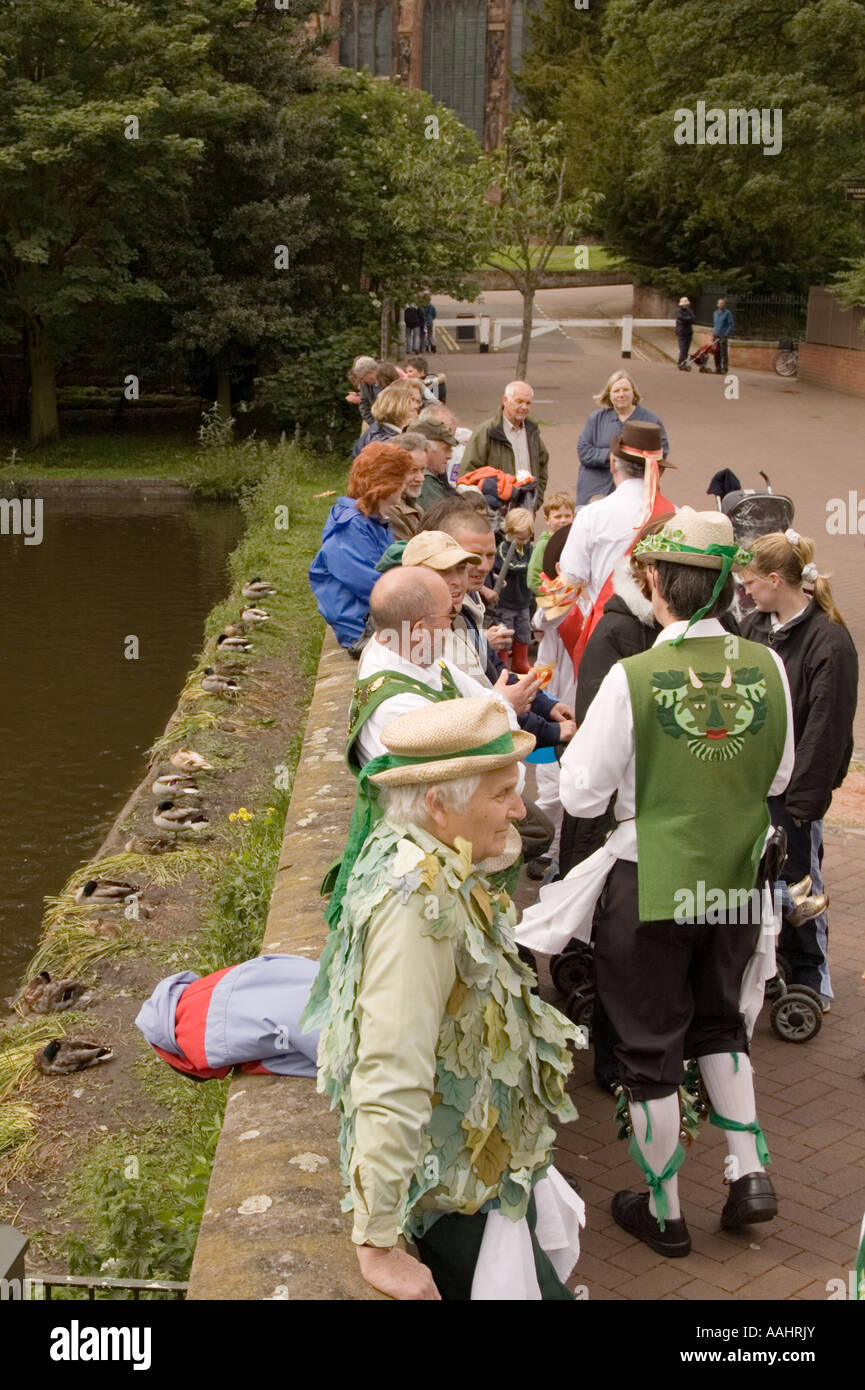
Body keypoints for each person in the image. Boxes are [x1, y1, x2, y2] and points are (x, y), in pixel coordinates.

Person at [519, 508, 795, 1256]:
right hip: (734, 876)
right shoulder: (766, 665)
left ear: (654, 582)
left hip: (648, 878)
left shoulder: (635, 677)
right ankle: (749, 1171)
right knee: (718, 1024)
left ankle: (665, 1209)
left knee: (646, 1049)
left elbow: (578, 797)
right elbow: (780, 774)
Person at [301, 697, 585, 1301]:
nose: (519, 808)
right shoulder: (415, 902)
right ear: (437, 804)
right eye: (502, 792)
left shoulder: (419, 851)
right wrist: (377, 1241)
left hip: (482, 1170)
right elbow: (391, 1067)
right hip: (458, 1201)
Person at [349, 566, 556, 867]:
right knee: (534, 831)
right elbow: (473, 784)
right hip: (426, 853)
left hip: (450, 820)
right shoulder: (396, 705)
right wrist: (504, 709)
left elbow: (486, 702)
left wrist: (498, 709)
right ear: (419, 629)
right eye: (448, 617)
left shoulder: (417, 654)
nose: (452, 625)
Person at [740, 529, 858, 1009]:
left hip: (793, 790)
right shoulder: (752, 627)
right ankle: (770, 963)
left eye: (750, 581)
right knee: (761, 882)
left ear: (774, 579)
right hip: (755, 783)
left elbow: (826, 729)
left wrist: (804, 804)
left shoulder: (829, 641)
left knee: (799, 884)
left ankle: (811, 974)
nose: (744, 590)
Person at [558, 420, 676, 676]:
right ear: (659, 470)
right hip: (662, 635)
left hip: (606, 631)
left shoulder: (591, 515)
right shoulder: (676, 515)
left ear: (613, 463)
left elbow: (570, 578)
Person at [309, 442, 414, 648]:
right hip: (360, 630)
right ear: (387, 483)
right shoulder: (351, 525)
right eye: (402, 480)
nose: (405, 485)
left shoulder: (372, 518)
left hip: (374, 622)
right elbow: (372, 585)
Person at [576, 371, 669, 506]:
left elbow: (661, 454)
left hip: (634, 491)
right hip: (594, 490)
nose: (621, 394)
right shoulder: (596, 419)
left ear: (633, 393)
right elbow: (584, 451)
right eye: (616, 391)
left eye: (626, 390)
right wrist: (613, 455)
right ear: (609, 394)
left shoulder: (651, 420)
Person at [459, 382, 549, 507]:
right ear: (505, 400)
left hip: (526, 508)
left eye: (528, 403)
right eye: (519, 401)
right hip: (496, 509)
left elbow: (543, 463)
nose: (524, 407)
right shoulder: (487, 431)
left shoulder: (531, 432)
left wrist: (537, 499)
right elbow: (467, 474)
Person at [491, 508, 536, 674]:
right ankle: (502, 665)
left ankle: (520, 661)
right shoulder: (503, 548)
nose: (522, 541)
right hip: (506, 602)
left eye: (525, 537)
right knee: (505, 634)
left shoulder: (530, 549)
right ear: (509, 532)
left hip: (523, 601)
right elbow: (510, 567)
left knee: (523, 632)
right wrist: (530, 567)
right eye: (519, 537)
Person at [380, 433, 429, 541]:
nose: (421, 478)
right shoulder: (386, 511)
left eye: (423, 470)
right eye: (413, 471)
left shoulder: (414, 507)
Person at [352, 382, 419, 459]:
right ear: (395, 402)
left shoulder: (384, 430)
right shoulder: (382, 441)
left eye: (417, 401)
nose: (416, 406)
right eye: (412, 400)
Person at [528, 491, 576, 594]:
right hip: (551, 601)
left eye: (567, 516)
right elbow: (533, 580)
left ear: (574, 517)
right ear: (547, 519)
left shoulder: (575, 542)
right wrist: (551, 593)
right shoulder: (543, 545)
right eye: (558, 517)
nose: (563, 520)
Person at [410, 417, 459, 509]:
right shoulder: (425, 480)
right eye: (446, 449)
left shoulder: (435, 474)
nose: (450, 456)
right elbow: (443, 518)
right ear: (426, 449)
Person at [345, 356, 380, 426]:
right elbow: (364, 405)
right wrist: (374, 424)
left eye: (362, 378)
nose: (362, 382)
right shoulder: (366, 385)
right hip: (376, 423)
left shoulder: (389, 379)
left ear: (369, 373)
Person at [713, 297, 735, 374]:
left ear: (724, 304)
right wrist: (713, 334)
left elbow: (731, 324)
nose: (721, 304)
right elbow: (715, 324)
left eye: (722, 303)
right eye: (720, 303)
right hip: (716, 335)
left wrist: (726, 334)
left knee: (723, 353)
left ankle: (724, 368)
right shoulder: (715, 313)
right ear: (717, 304)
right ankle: (717, 368)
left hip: (723, 335)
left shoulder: (727, 313)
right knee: (716, 353)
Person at [675, 298, 695, 371]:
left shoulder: (690, 311)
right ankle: (682, 363)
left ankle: (681, 363)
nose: (686, 305)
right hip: (681, 333)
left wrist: (686, 319)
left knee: (686, 350)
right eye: (684, 304)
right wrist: (688, 319)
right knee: (682, 349)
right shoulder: (678, 311)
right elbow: (681, 319)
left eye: (686, 304)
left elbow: (693, 319)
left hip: (689, 333)